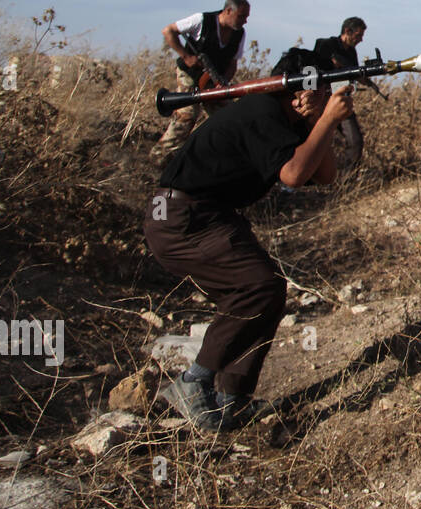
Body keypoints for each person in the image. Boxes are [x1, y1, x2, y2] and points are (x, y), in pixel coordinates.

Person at [143, 47, 353, 431]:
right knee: (258, 287)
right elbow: (292, 175)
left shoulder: (286, 119)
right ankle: (194, 383)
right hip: (180, 217)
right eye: (323, 88)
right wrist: (325, 121)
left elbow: (323, 176)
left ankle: (231, 400)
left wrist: (317, 123)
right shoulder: (263, 113)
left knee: (268, 295)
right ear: (302, 91)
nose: (328, 95)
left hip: (207, 215)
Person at [151, 0, 250, 161]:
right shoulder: (201, 20)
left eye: (246, 17)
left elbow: (232, 64)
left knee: (229, 119)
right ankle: (158, 157)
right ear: (228, 11)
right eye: (241, 16)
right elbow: (168, 31)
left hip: (213, 81)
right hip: (190, 76)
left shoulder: (239, 34)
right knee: (187, 116)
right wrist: (186, 56)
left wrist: (223, 84)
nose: (245, 21)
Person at [313, 17, 368, 170]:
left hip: (340, 100)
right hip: (320, 101)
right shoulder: (326, 44)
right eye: (358, 36)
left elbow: (354, 73)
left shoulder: (352, 52)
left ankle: (347, 177)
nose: (360, 40)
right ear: (347, 31)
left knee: (355, 141)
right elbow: (313, 69)